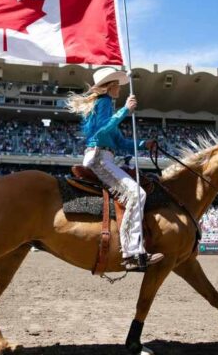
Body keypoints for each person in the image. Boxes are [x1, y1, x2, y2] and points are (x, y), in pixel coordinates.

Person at [66, 67, 162, 272]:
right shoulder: (104, 103)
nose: (120, 89)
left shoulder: (106, 105)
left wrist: (145, 144)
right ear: (110, 87)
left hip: (104, 156)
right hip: (100, 158)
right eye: (117, 85)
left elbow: (120, 142)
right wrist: (125, 110)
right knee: (137, 195)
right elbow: (102, 132)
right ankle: (131, 253)